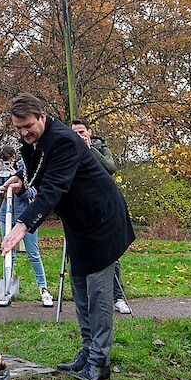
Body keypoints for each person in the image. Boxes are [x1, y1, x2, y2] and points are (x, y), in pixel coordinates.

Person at [1, 94, 135, 380]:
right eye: (18, 128)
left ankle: (100, 363)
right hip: (78, 222)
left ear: (42, 117)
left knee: (98, 293)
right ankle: (88, 352)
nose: (24, 133)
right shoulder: (35, 141)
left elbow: (53, 187)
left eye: (27, 126)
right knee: (80, 289)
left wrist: (22, 225)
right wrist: (22, 181)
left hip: (101, 220)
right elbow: (39, 172)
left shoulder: (62, 140)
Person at [71, 118, 130, 316]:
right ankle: (86, 299)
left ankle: (118, 297)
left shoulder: (101, 148)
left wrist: (89, 150)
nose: (78, 136)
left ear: (89, 132)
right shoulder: (69, 149)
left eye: (81, 132)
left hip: (105, 208)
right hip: (81, 209)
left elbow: (110, 168)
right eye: (75, 133)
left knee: (111, 256)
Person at [0, 146, 54, 308]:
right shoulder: (2, 171)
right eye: (4, 161)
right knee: (8, 254)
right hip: (6, 215)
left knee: (33, 254)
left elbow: (32, 194)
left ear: (14, 157)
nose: (8, 163)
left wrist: (17, 182)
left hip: (26, 216)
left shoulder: (27, 169)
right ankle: (7, 290)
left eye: (9, 160)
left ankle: (44, 290)